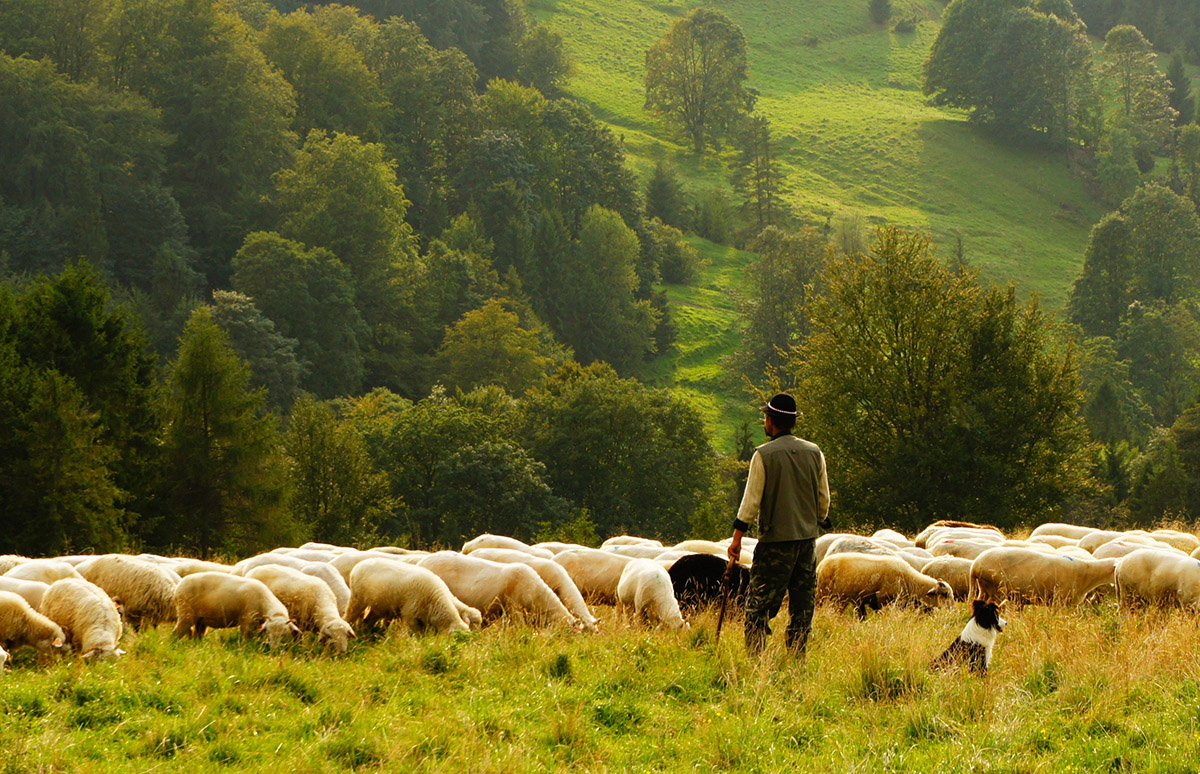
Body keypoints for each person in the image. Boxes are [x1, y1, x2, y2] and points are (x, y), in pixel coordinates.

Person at [728, 393, 830, 654]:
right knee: (802, 605)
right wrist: (816, 521)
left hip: (775, 544)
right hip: (807, 543)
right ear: (792, 421)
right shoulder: (814, 452)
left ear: (771, 420)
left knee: (759, 605)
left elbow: (751, 502)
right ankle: (797, 657)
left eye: (765, 417)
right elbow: (823, 499)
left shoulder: (763, 455)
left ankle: (756, 659)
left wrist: (737, 538)